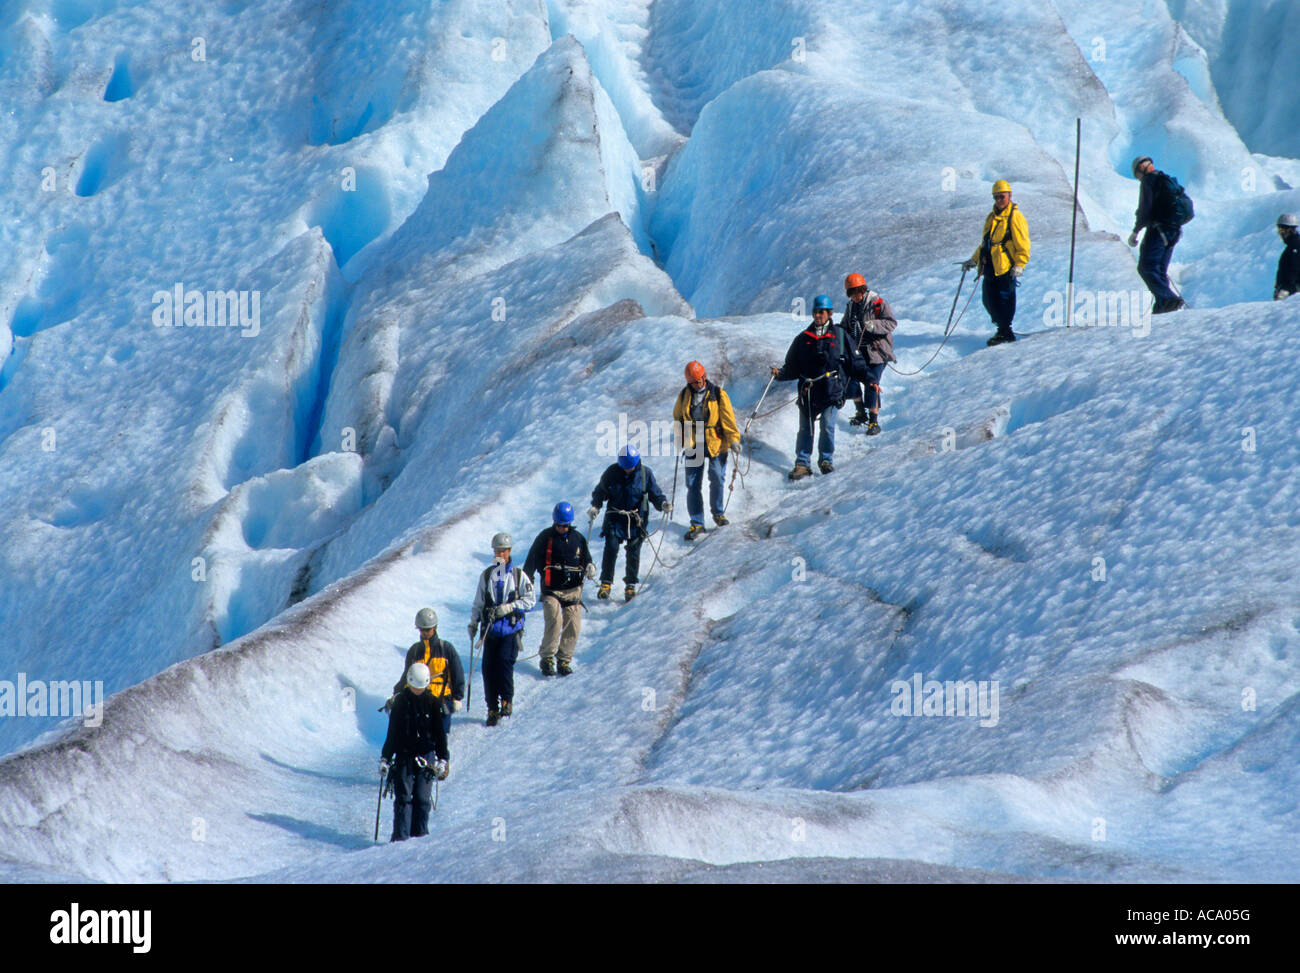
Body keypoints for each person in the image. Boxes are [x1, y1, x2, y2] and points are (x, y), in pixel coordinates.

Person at [770, 294, 866, 479]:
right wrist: (780, 375)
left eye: (821, 311)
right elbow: (792, 367)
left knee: (827, 425)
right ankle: (802, 464)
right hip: (809, 391)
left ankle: (826, 460)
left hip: (832, 389)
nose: (818, 315)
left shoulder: (840, 336)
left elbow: (856, 361)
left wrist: (870, 381)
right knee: (806, 428)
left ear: (829, 313)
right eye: (815, 311)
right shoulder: (802, 339)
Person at [469, 532, 536, 726]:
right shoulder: (487, 575)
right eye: (498, 550)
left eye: (504, 550)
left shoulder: (518, 575)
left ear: (509, 552)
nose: (501, 553)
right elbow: (479, 603)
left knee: (504, 663)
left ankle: (506, 700)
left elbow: (530, 600)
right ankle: (492, 708)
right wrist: (473, 623)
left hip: (510, 628)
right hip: (489, 629)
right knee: (488, 668)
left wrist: (511, 606)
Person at [523, 502, 596, 677]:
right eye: (559, 525)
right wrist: (527, 581)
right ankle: (547, 658)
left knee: (573, 625)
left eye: (565, 525)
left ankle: (564, 659)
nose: (562, 528)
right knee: (555, 622)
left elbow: (586, 558)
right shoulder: (545, 538)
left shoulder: (578, 538)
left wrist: (590, 566)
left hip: (573, 591)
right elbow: (531, 561)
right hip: (551, 590)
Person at [588, 445, 670, 601]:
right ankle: (606, 583)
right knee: (611, 547)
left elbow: (655, 494)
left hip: (636, 519)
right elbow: (600, 492)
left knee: (633, 551)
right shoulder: (611, 473)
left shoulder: (645, 474)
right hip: (615, 517)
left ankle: (630, 585)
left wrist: (663, 504)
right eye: (625, 468)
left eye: (630, 468)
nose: (628, 471)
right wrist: (595, 506)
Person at [380, 661, 448, 842]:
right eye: (414, 687)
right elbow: (392, 733)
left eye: (420, 687)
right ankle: (401, 838)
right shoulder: (400, 703)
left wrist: (443, 758)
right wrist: (385, 758)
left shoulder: (433, 703)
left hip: (426, 756)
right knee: (403, 798)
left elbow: (440, 734)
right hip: (404, 756)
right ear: (409, 683)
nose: (417, 691)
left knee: (422, 798)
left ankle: (420, 838)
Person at [672, 361, 741, 540]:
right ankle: (697, 523)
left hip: (715, 441)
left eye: (699, 380)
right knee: (692, 483)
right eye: (693, 382)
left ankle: (718, 513)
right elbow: (678, 417)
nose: (697, 384)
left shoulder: (718, 394)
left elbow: (727, 418)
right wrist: (680, 439)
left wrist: (733, 439)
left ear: (704, 376)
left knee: (717, 476)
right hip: (693, 442)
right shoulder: (684, 395)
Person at [962, 179, 1030, 345]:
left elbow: (1023, 243)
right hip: (991, 265)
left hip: (1005, 266)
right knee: (989, 299)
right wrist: (974, 260)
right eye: (996, 197)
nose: (999, 200)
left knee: (1004, 299)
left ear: (1009, 196)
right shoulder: (991, 217)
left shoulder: (1015, 216)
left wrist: (1020, 264)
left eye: (1002, 196)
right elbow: (985, 243)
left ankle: (1005, 331)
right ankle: (1002, 328)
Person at [387, 608, 464, 742]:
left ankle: (441, 760)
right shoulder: (414, 650)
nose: (424, 633)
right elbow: (408, 675)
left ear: (435, 628)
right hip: (420, 698)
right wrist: (397, 692)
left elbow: (457, 673)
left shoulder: (446, 649)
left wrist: (457, 697)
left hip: (441, 700)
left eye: (427, 630)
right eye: (421, 629)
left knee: (439, 737)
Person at [1127, 156, 1188, 313]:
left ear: (1140, 170)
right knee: (1159, 269)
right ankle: (1162, 304)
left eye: (1137, 175)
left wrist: (1135, 231)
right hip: (1174, 231)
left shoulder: (1149, 181)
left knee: (1146, 267)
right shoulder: (1166, 179)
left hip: (1159, 230)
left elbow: (1144, 209)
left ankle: (1168, 299)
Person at [840, 273, 898, 435]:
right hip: (858, 353)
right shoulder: (851, 306)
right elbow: (846, 326)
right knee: (851, 381)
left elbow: (891, 323)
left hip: (877, 353)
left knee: (872, 384)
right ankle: (861, 413)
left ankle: (874, 421)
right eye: (852, 294)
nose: (855, 297)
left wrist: (874, 325)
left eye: (857, 293)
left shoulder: (878, 303)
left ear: (863, 290)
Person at [1275, 213, 1299, 301]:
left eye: (1281, 230)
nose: (1279, 233)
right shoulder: (1292, 247)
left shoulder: (1295, 247)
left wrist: (1286, 289)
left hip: (1291, 293)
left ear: (1288, 230)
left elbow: (1294, 270)